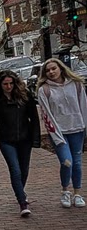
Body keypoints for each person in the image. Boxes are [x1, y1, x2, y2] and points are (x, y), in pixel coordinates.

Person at [0, 70, 40, 217]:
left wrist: (36, 139)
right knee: (15, 169)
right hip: (6, 140)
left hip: (25, 138)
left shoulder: (25, 96)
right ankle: (22, 202)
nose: (8, 86)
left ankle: (20, 191)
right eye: (5, 84)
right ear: (0, 84)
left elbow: (34, 119)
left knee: (24, 170)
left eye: (11, 83)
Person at [36, 58, 87, 208]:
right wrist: (55, 133)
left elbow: (83, 105)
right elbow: (46, 114)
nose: (51, 72)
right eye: (47, 70)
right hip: (59, 131)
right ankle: (65, 190)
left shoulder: (76, 85)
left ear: (61, 68)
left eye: (53, 69)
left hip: (77, 128)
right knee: (67, 161)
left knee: (77, 162)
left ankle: (77, 193)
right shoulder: (44, 90)